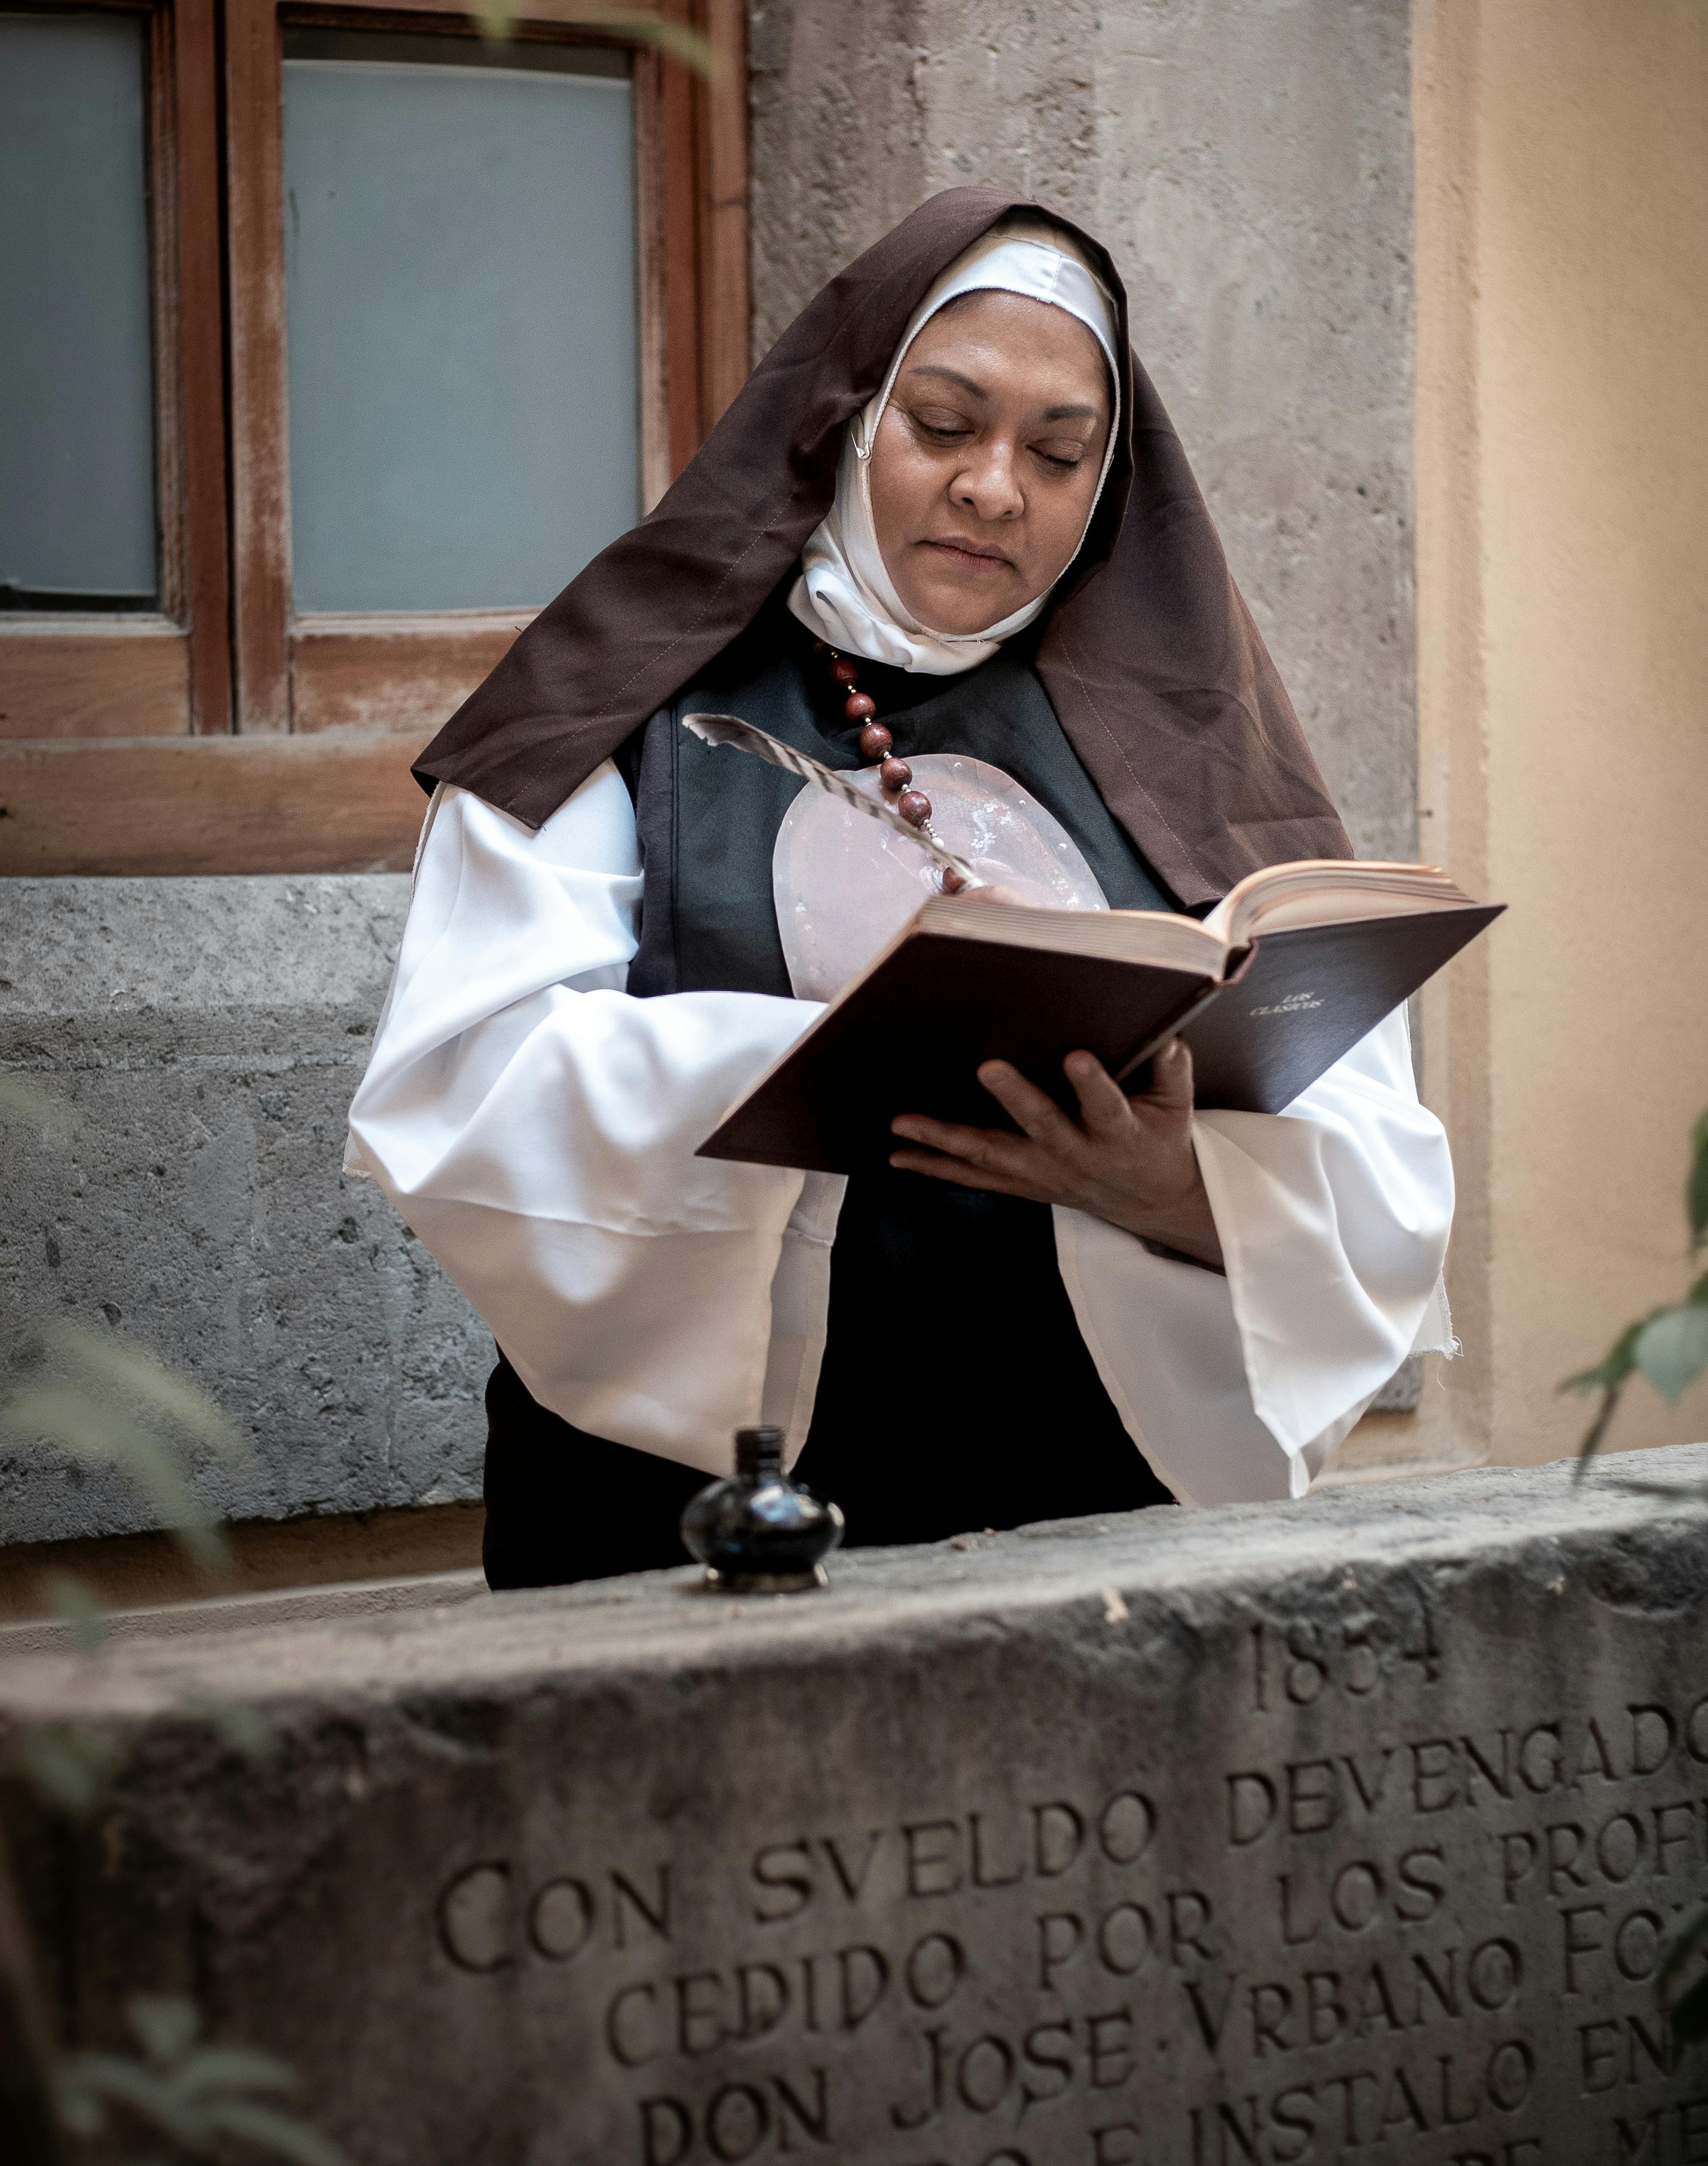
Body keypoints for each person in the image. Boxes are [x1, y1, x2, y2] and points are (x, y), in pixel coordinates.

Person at [345, 188, 1453, 1586]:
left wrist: (1176, 1182)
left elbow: (1377, 1156)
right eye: (944, 425)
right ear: (852, 418)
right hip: (702, 1530)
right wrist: (834, 1065)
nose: (996, 486)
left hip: (1092, 1522)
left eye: (1060, 455)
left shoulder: (1182, 746)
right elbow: (468, 1088)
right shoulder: (620, 705)